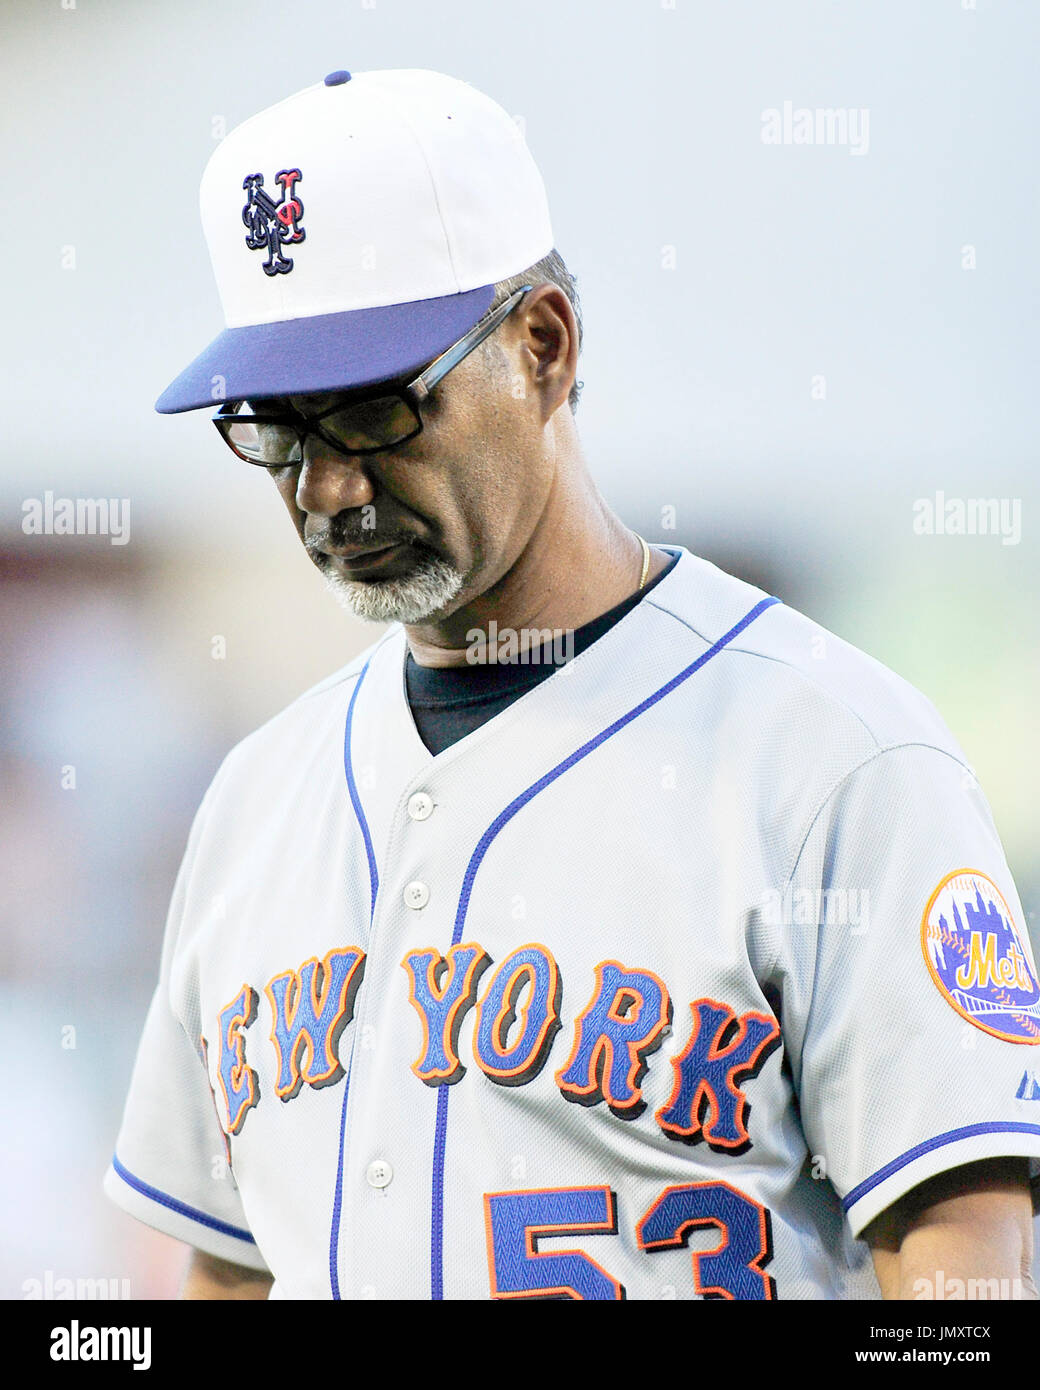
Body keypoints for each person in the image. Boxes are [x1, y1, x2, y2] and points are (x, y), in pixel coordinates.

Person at [105, 67, 1040, 1301]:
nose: (325, 489)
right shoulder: (252, 802)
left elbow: (963, 1269)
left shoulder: (835, 757)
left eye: (374, 412)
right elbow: (227, 1271)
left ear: (541, 349)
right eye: (276, 428)